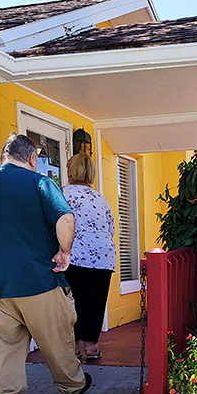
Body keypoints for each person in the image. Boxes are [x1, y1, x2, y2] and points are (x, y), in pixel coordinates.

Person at [0, 133, 92, 394]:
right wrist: (64, 253)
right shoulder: (40, 183)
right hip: (39, 281)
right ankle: (70, 387)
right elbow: (66, 218)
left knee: (3, 348)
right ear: (32, 158)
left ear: (5, 156)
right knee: (56, 339)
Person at [63, 152, 116, 361]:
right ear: (91, 173)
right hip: (102, 256)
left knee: (70, 302)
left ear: (69, 170)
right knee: (94, 300)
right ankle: (92, 348)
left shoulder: (61, 194)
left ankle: (74, 348)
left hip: (72, 256)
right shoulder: (99, 198)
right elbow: (110, 227)